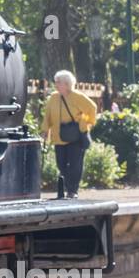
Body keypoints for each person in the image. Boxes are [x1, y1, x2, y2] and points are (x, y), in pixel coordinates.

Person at [41, 70, 97, 198]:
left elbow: (92, 108)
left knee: (75, 164)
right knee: (61, 164)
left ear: (67, 84)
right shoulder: (53, 98)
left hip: (75, 136)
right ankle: (67, 186)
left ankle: (72, 190)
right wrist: (45, 130)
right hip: (59, 137)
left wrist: (86, 124)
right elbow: (48, 116)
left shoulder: (77, 96)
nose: (55, 85)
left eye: (58, 82)